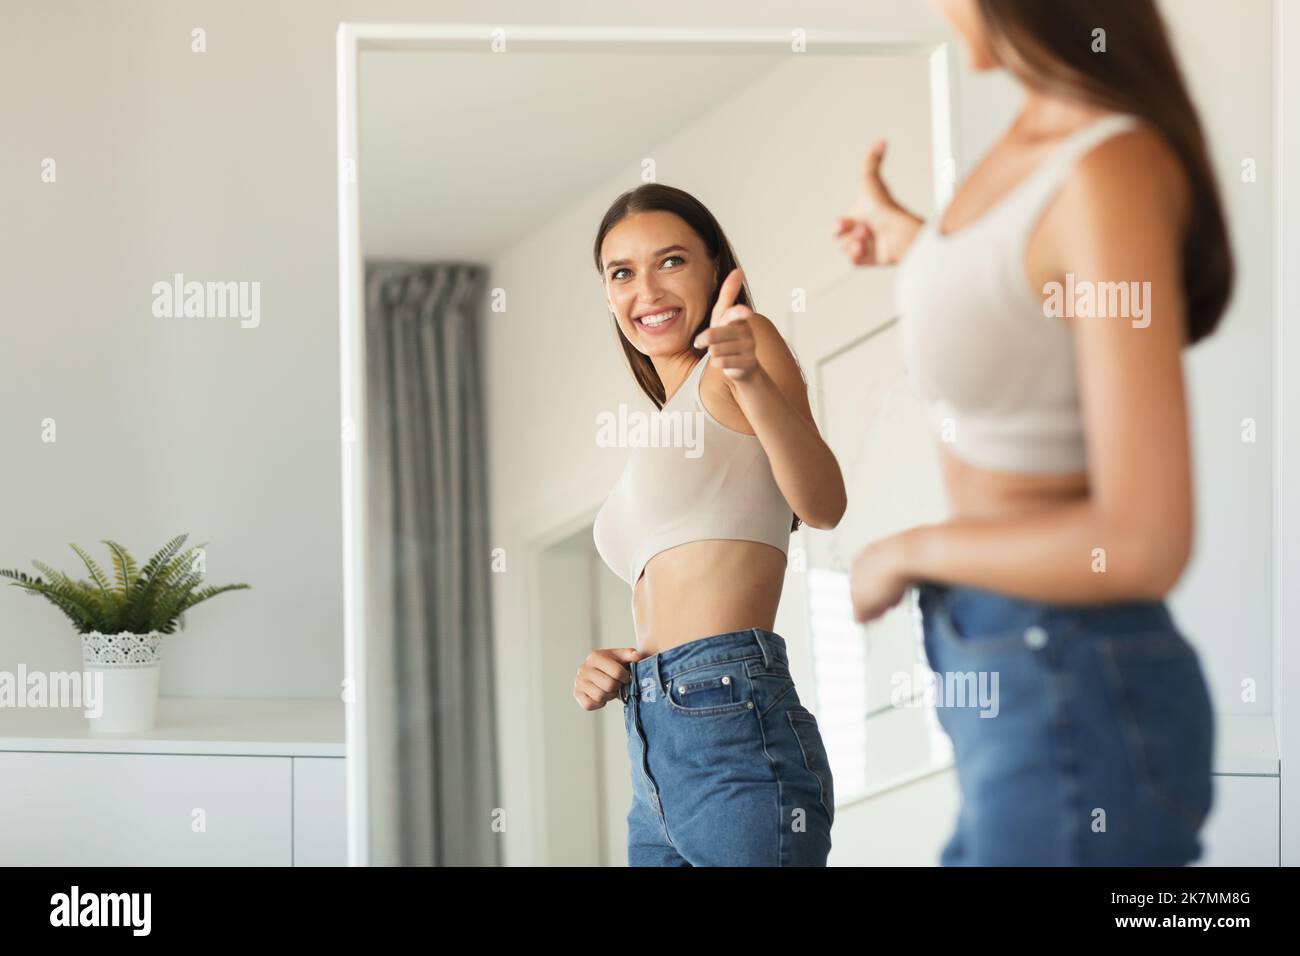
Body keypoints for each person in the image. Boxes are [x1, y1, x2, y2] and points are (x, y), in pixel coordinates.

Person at [835, 0, 1232, 865]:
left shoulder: (1108, 167)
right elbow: (1030, 290)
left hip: (1071, 668)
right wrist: (922, 250)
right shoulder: (1030, 146)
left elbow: (1143, 542)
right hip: (1007, 660)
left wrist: (909, 552)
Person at [575, 183, 847, 865]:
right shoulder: (664, 428)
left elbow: (823, 503)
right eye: (622, 273)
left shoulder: (740, 353)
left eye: (671, 261)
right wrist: (615, 667)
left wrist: (749, 376)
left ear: (717, 268)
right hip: (652, 747)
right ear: (608, 296)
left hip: (731, 719)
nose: (647, 290)